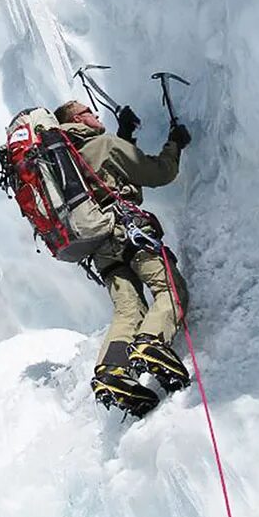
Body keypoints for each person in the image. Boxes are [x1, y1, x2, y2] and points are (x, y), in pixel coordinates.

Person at [54, 99, 192, 417]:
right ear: (77, 119)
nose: (95, 115)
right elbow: (158, 173)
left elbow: (108, 175)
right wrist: (176, 144)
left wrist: (125, 134)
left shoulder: (65, 159)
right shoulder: (102, 144)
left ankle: (112, 371)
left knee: (128, 311)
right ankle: (153, 343)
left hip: (100, 249)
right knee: (171, 291)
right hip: (130, 232)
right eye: (88, 112)